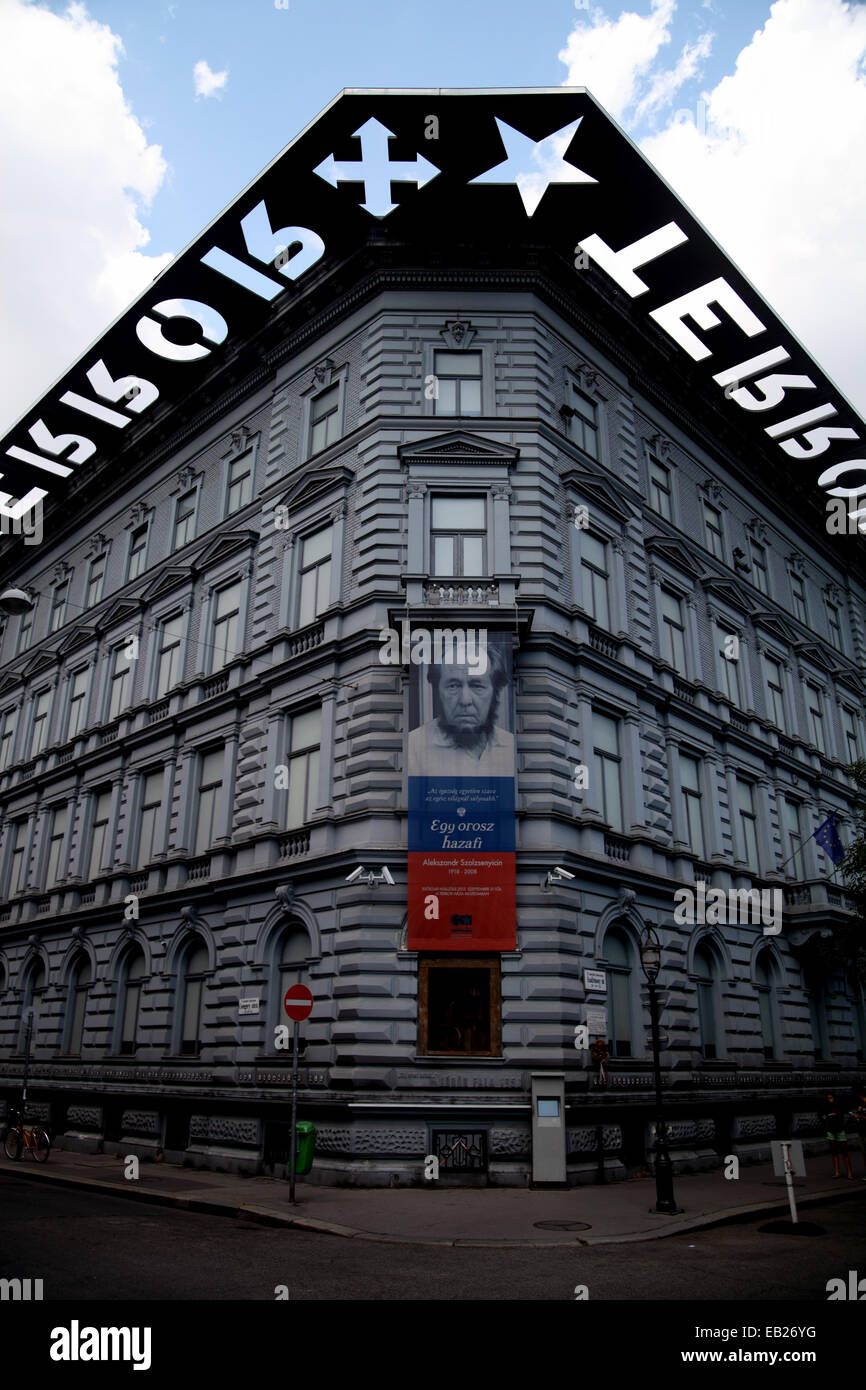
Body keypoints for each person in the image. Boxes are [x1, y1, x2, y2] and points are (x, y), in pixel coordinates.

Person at [407, 642, 514, 778]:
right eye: (453, 686)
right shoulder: (413, 748)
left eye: (477, 686)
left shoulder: (511, 747)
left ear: (495, 692)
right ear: (438, 691)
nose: (465, 701)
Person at [819, 1092, 853, 1179]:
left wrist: (842, 1125)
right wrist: (826, 1123)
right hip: (830, 1130)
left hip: (839, 1130)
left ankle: (849, 1172)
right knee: (834, 1152)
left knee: (845, 1151)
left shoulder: (839, 1106)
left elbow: (845, 1116)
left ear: (834, 1098)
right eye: (828, 1098)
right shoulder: (825, 1107)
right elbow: (821, 1116)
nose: (830, 1099)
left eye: (831, 1098)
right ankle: (837, 1172)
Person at [847, 1087, 866, 1181]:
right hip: (861, 1131)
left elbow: (862, 1116)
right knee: (864, 1153)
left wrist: (860, 1116)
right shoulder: (860, 1105)